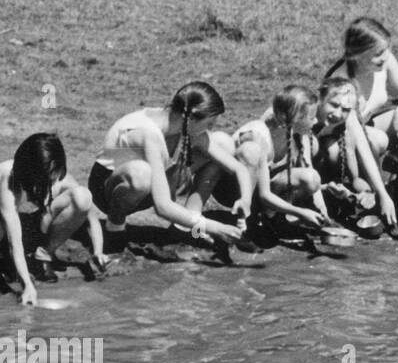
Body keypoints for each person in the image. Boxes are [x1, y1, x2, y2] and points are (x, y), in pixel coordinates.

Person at [88, 82, 248, 250]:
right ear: (192, 117)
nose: (210, 128)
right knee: (141, 174)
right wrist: (217, 228)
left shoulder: (179, 121)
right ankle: (114, 231)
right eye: (209, 124)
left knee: (223, 143)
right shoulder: (149, 134)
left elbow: (239, 169)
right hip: (108, 189)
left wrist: (244, 199)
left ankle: (189, 228)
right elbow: (162, 207)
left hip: (150, 183)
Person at [1, 134, 105, 303]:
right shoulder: (9, 179)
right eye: (49, 173)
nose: (54, 177)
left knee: (83, 196)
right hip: (6, 227)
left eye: (55, 171)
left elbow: (91, 216)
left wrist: (99, 251)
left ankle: (43, 254)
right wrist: (27, 285)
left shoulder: (55, 174)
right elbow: (15, 241)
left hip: (30, 224)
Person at [325, 17, 398, 163]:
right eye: (377, 54)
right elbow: (342, 128)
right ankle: (368, 182)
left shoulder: (385, 61)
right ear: (356, 56)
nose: (384, 57)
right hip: (338, 135)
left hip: (366, 124)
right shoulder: (341, 80)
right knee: (378, 139)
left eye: (385, 50)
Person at [227, 85, 330, 232]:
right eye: (311, 117)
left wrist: (322, 210)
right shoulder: (260, 135)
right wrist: (300, 212)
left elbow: (310, 170)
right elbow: (264, 195)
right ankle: (248, 222)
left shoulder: (296, 131)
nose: (315, 122)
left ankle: (272, 217)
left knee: (311, 178)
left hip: (264, 186)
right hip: (234, 190)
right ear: (293, 118)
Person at [310, 77, 398, 228]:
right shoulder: (306, 116)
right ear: (321, 98)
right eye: (334, 105)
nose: (338, 114)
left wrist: (381, 194)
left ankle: (352, 195)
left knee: (350, 146)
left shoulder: (348, 117)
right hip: (300, 171)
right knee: (326, 149)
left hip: (325, 172)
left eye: (345, 109)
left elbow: (364, 152)